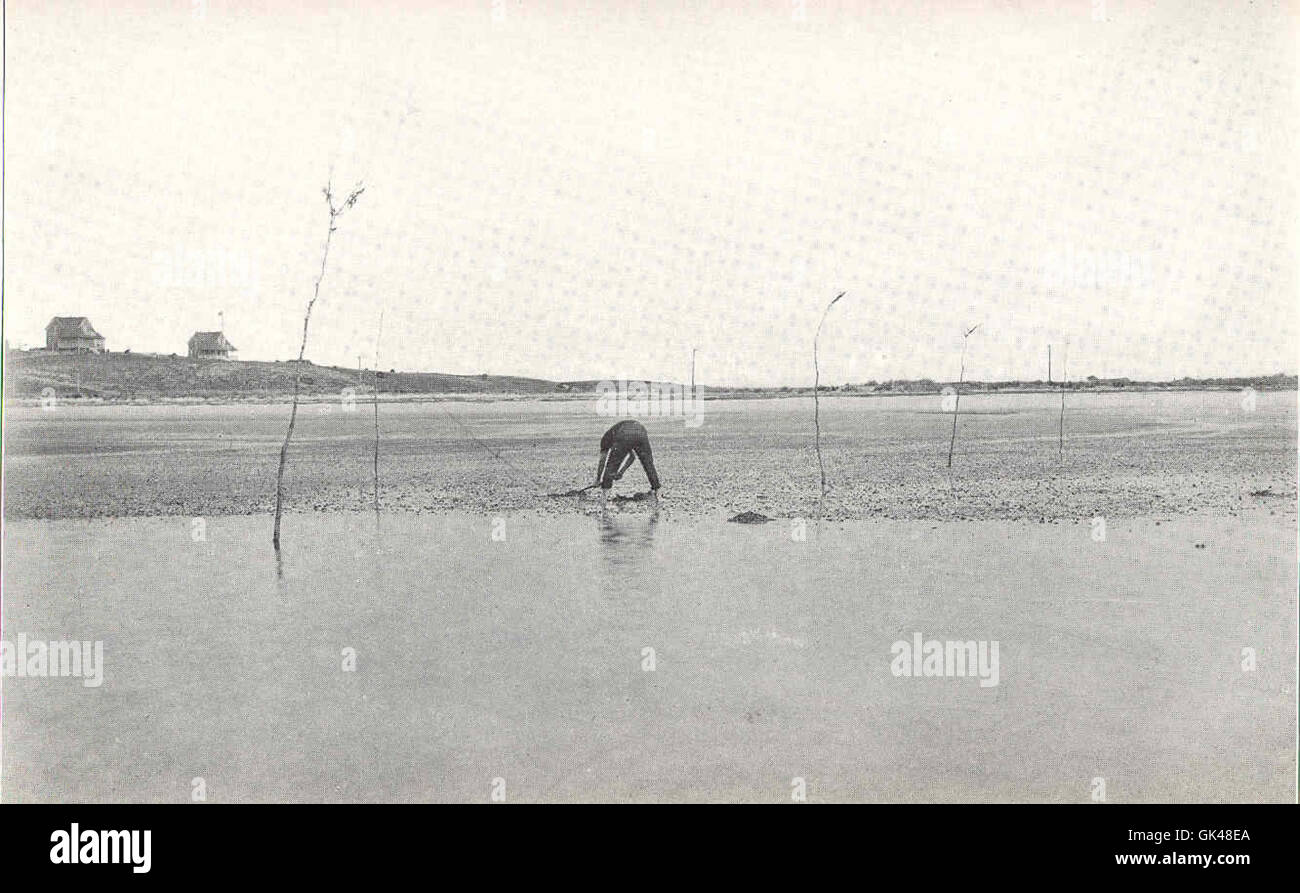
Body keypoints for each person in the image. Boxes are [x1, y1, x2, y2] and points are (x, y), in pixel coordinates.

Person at [596, 419, 661, 508]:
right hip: (640, 430)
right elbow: (632, 457)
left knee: (611, 465)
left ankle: (604, 496)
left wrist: (598, 479)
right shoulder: (616, 434)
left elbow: (602, 461)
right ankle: (657, 492)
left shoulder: (605, 440)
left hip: (624, 433)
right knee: (648, 463)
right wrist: (621, 472)